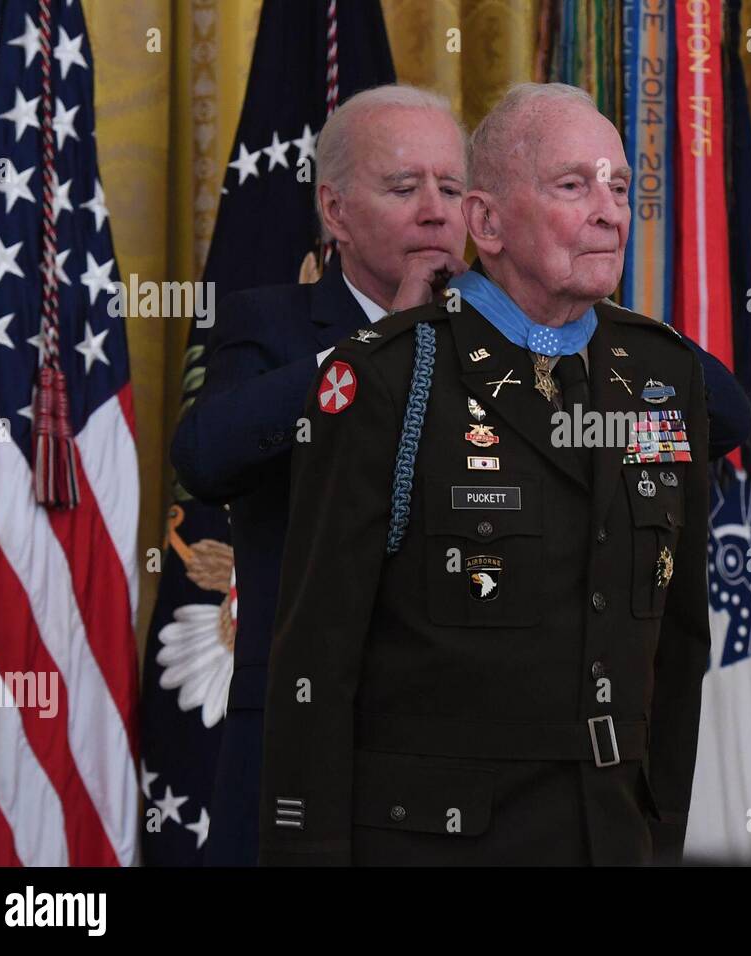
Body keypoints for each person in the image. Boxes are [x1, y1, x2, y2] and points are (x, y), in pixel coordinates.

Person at [258, 82, 713, 866]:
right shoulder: (392, 376)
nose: (609, 211)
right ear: (487, 222)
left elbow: (679, 649)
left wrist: (658, 838)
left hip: (610, 839)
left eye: (618, 186)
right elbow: (315, 668)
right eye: (573, 185)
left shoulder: (663, 374)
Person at [170, 84, 469, 866]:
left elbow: (725, 415)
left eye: (454, 188)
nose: (436, 210)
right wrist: (374, 355)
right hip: (304, 749)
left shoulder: (511, 339)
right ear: (335, 213)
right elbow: (204, 456)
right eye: (406, 188)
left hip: (471, 759)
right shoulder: (268, 324)